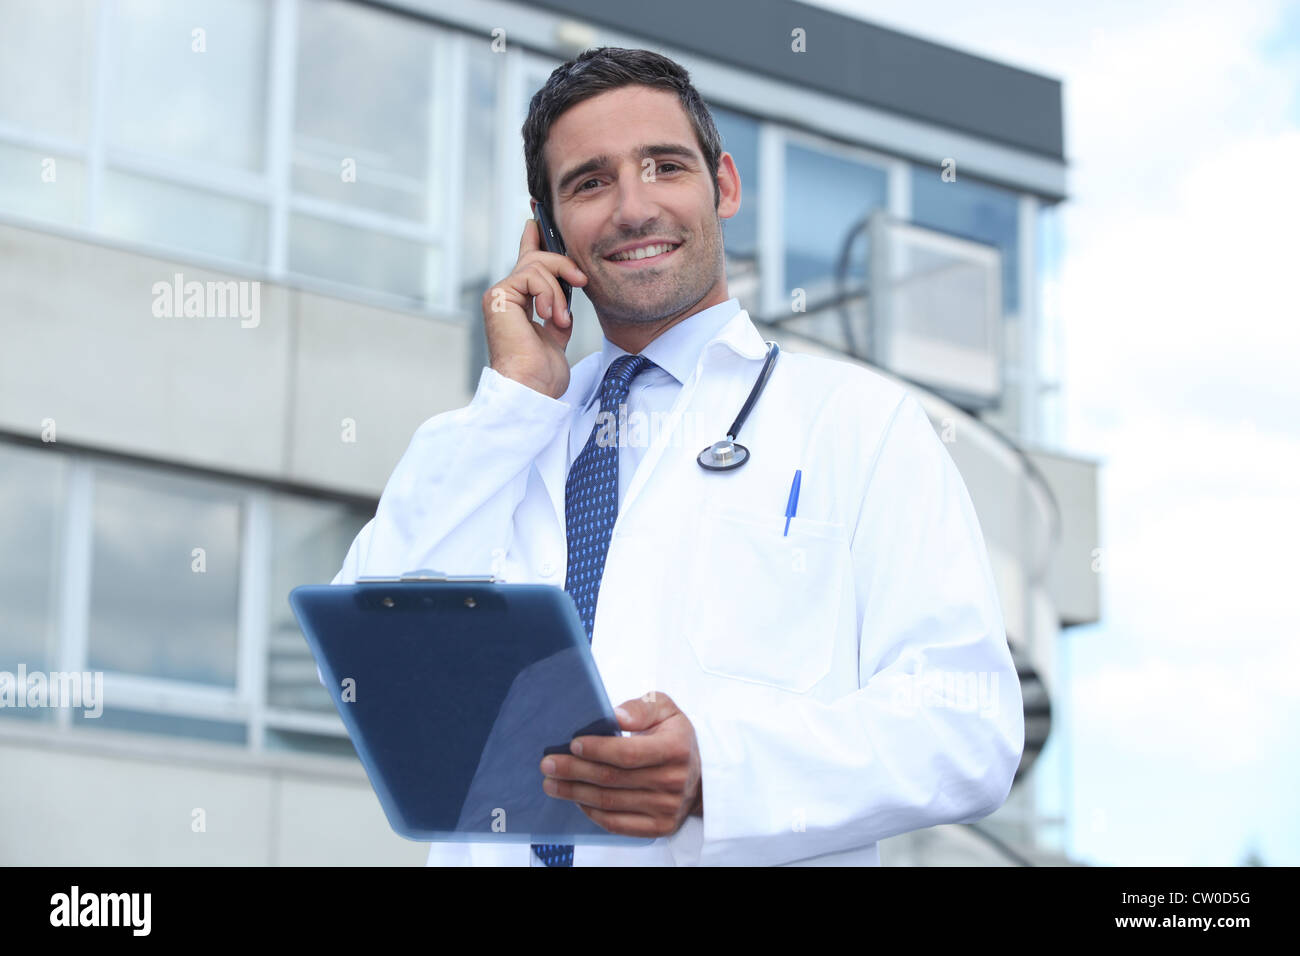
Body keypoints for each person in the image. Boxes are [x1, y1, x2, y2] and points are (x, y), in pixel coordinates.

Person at [331, 46, 1024, 866]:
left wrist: (720, 773)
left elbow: (967, 724)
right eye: (590, 182)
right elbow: (366, 652)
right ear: (547, 229)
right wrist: (513, 399)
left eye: (663, 166)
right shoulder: (504, 435)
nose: (633, 208)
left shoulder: (858, 425)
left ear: (723, 186)